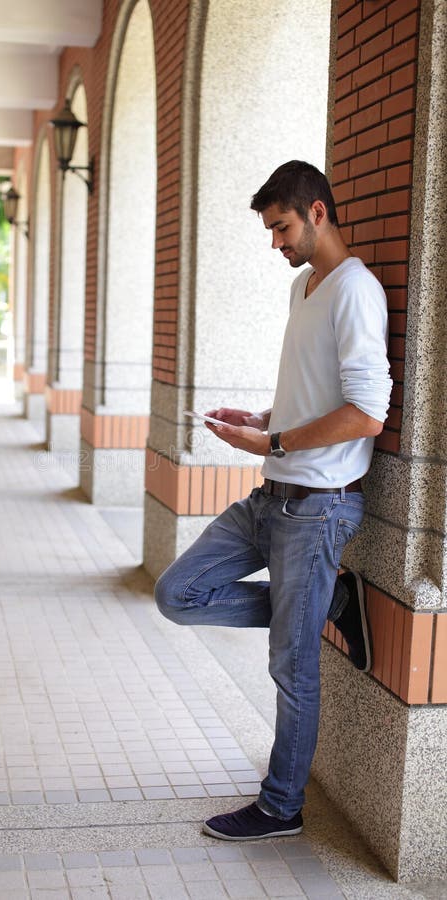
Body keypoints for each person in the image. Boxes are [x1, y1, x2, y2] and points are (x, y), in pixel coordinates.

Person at [155, 160, 392, 841]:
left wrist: (275, 440)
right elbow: (316, 391)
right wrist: (263, 419)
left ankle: (281, 806)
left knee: (291, 665)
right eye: (270, 230)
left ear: (318, 211)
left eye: (281, 227)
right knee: (179, 594)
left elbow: (369, 413)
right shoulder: (305, 287)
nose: (275, 243)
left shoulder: (355, 292)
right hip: (273, 496)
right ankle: (323, 607)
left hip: (318, 506)